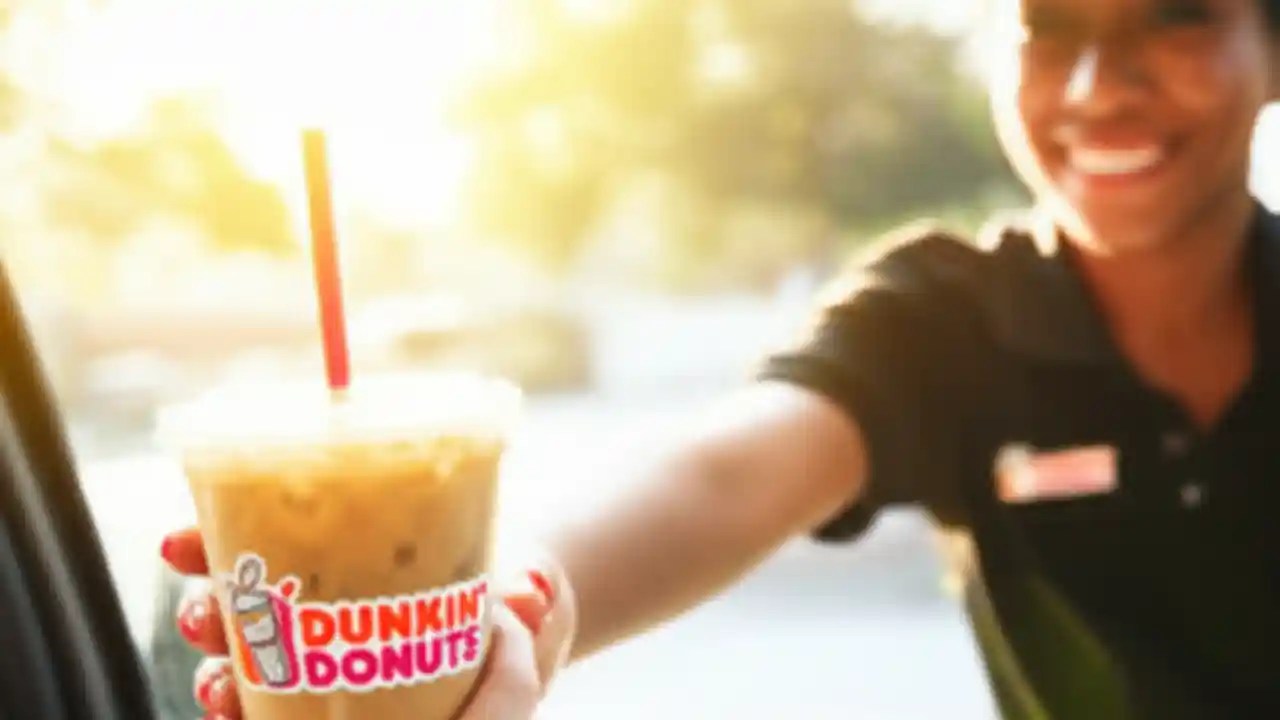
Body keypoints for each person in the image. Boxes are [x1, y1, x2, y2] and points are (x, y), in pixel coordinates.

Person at [161, 0, 1280, 717]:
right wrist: (516, 612)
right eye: (1049, 27)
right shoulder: (944, 319)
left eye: (1172, 15)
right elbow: (722, 474)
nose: (1094, 87)